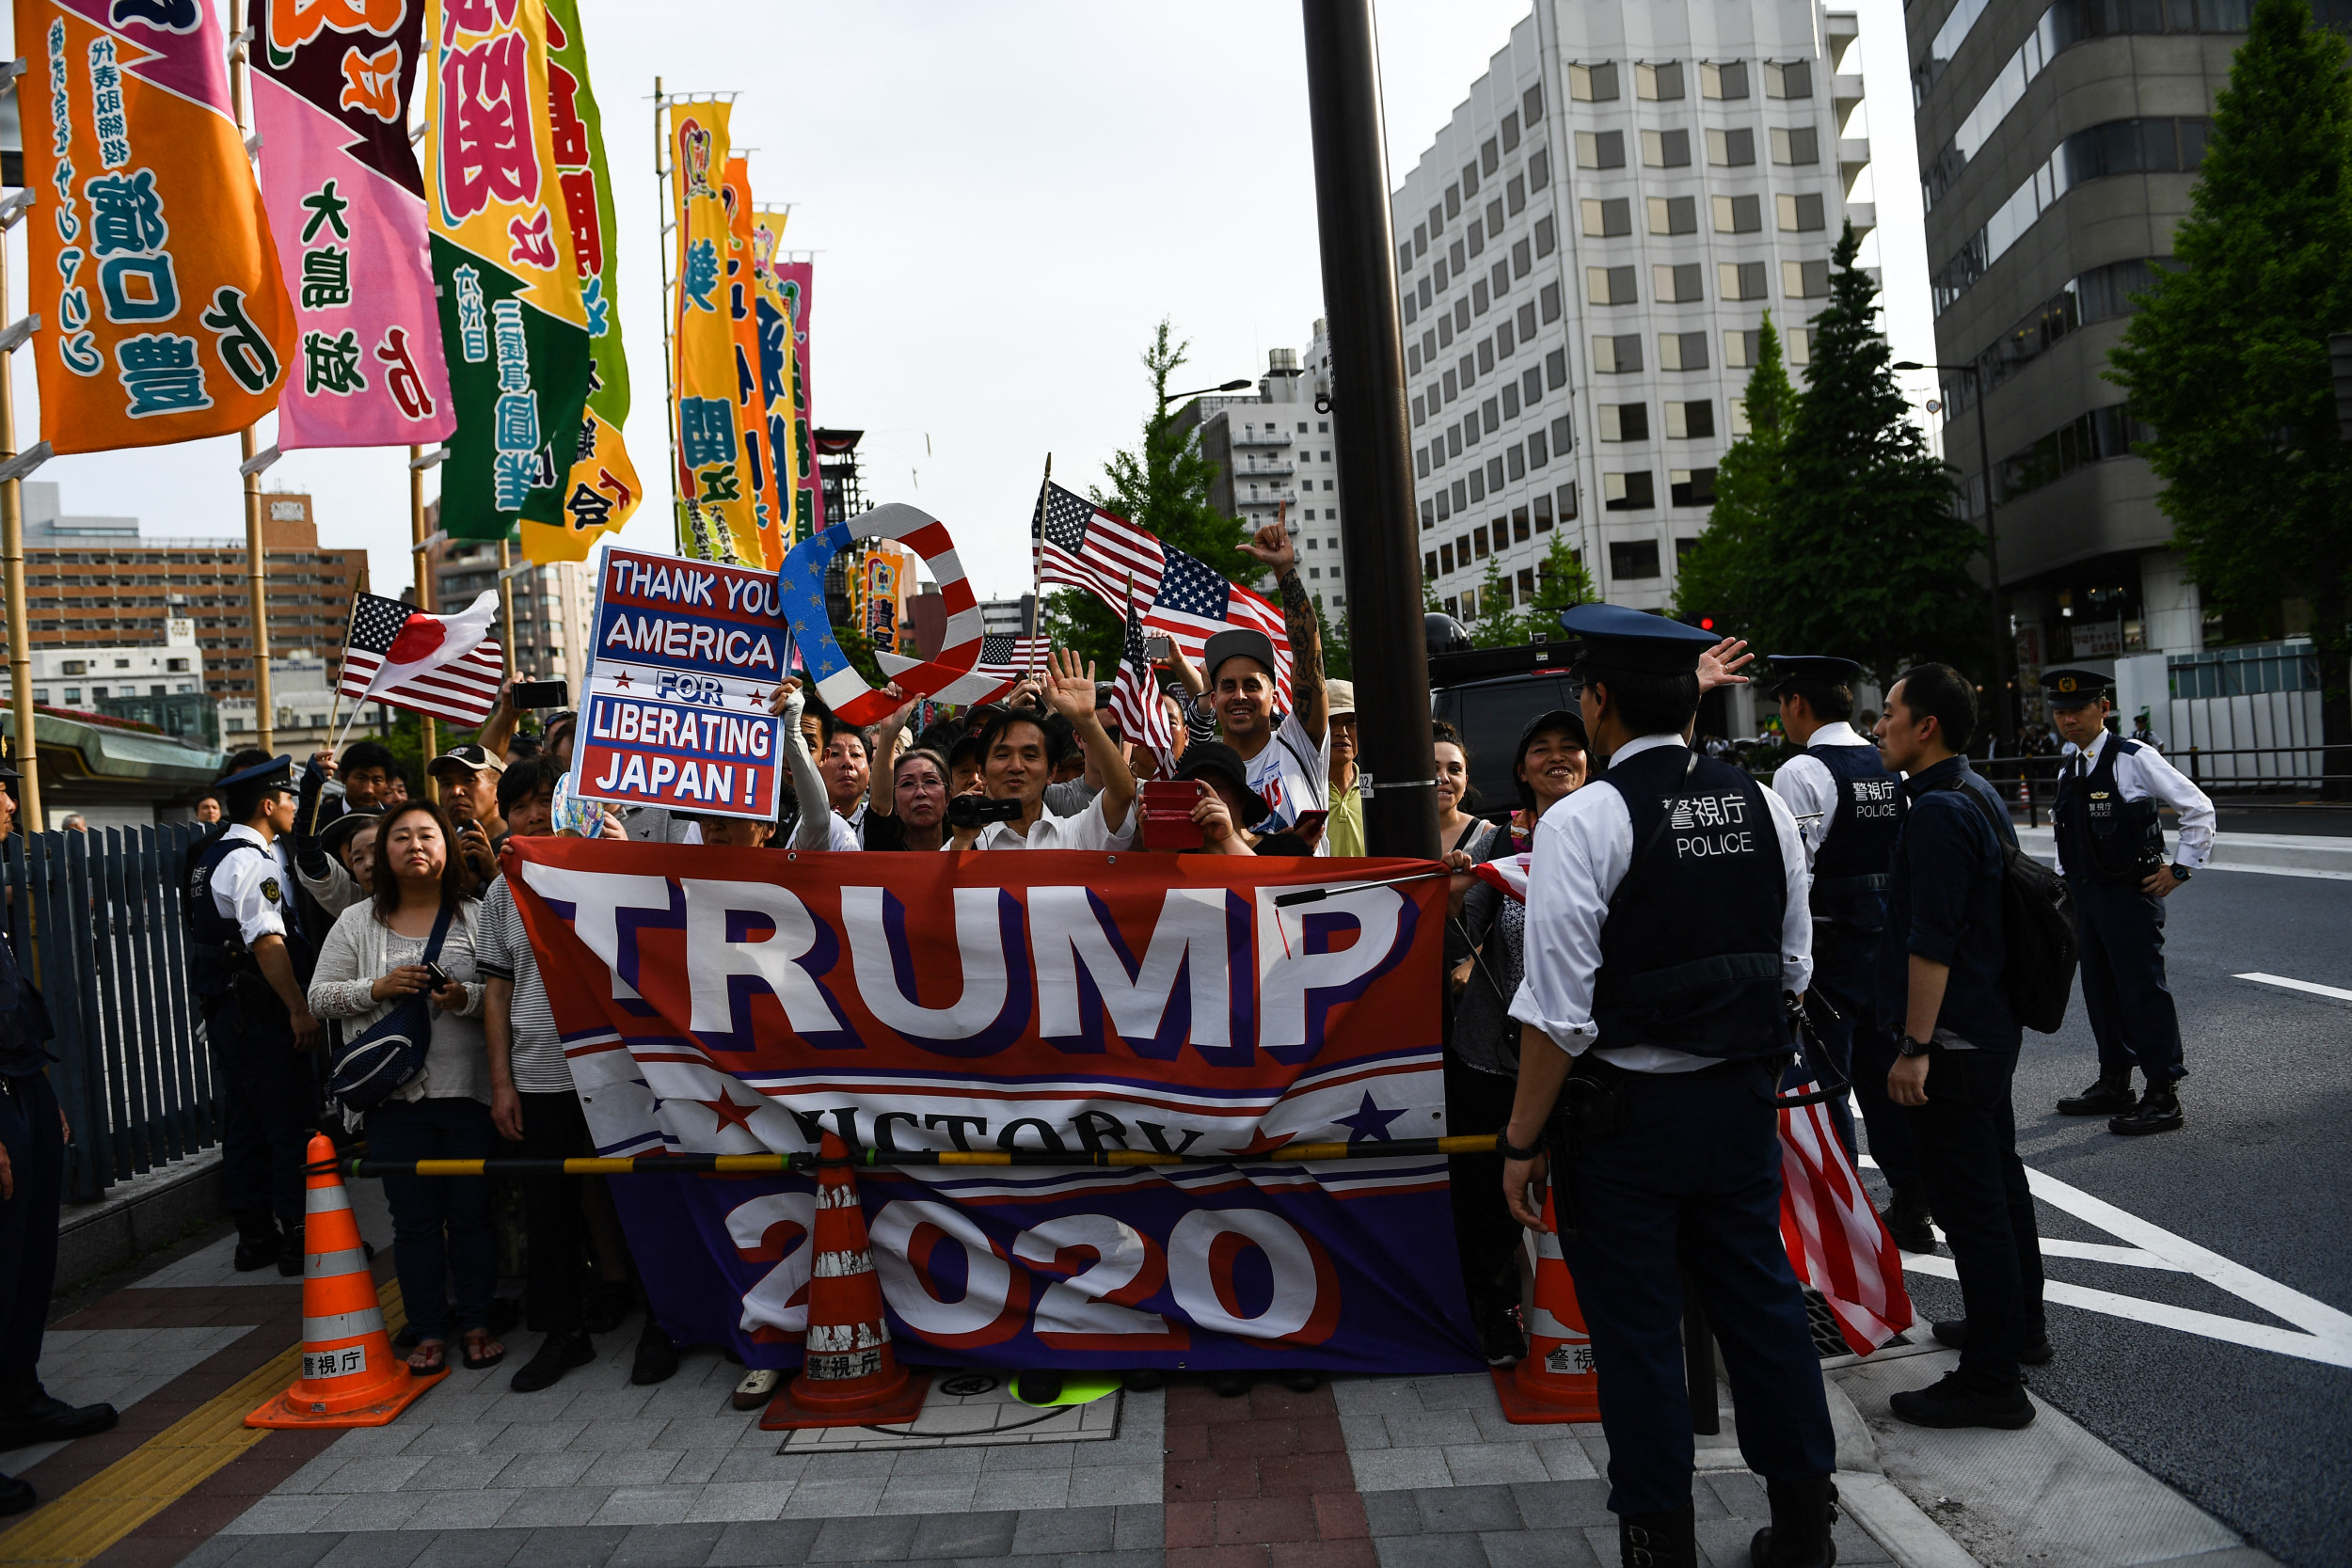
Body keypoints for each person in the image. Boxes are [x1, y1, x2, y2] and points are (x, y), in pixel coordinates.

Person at [1498, 605, 1836, 1568]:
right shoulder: (1764, 802)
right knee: (1763, 1309)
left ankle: (1659, 1543)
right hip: (1735, 1108)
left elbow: (1558, 1012)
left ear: (1595, 699)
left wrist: (1521, 1140)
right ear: (1691, 700)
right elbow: (1795, 966)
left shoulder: (1583, 818)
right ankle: (1807, 1526)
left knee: (1639, 1335)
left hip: (1624, 1127)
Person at [1873, 665, 2049, 1429]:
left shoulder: (1938, 812)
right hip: (1990, 1027)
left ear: (1926, 727)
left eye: (1888, 714)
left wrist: (1915, 1045)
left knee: (1971, 1205)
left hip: (1953, 1039)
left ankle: (1991, 1380)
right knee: (2000, 1185)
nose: (1878, 727)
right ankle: (2018, 1331)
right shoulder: (1975, 792)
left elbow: (1932, 941)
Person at [482, 760, 677, 1392]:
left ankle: (665, 1322)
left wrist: (620, 864)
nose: (535, 816)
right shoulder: (499, 891)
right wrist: (502, 1082)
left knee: (644, 1197)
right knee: (551, 1210)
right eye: (521, 806)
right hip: (540, 1070)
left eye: (547, 801)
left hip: (622, 1064)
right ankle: (563, 1333)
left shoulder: (615, 869)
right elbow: (494, 992)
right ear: (505, 818)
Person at [308, 800, 502, 1376]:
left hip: (468, 1091)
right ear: (381, 854)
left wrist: (459, 998)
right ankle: (427, 1327)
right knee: (412, 1221)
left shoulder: (477, 914)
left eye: (427, 836)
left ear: (446, 847)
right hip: (394, 1098)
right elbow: (320, 996)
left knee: (472, 1214)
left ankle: (477, 1323)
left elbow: (502, 995)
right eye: (401, 838)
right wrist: (378, 986)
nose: (415, 846)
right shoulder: (356, 922)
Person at [1763, 655, 1931, 1253]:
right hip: (1889, 950)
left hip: (1828, 956)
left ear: (1796, 705)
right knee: (1890, 1082)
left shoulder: (1803, 770)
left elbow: (1795, 876)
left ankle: (1847, 1222)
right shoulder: (1890, 763)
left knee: (1828, 1085)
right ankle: (1912, 1205)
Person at [1442, 708, 1585, 1366]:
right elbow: (1464, 920)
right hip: (1497, 1057)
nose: (1557, 758)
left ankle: (1589, 1314)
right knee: (1487, 1196)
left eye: (1570, 747)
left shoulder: (1612, 834)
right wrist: (1457, 892)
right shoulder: (1503, 846)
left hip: (1588, 1061)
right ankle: (1497, 1313)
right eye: (1542, 750)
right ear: (1522, 769)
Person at [0, 757, 116, 1511]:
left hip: (19, 1082)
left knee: (28, 1258)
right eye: (0, 788)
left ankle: (16, 1397)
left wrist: (39, 1088)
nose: (12, 802)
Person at [2041, 668, 2214, 1134]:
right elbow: (2066, 836)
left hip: (2129, 895)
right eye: (2061, 712)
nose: (2068, 720)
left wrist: (2180, 868)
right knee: (2100, 993)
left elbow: (2197, 807)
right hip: (2086, 896)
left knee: (2141, 992)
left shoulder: (2134, 757)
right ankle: (2115, 1081)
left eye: (2077, 710)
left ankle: (2163, 1092)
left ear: (2104, 708)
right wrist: (2063, 887)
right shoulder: (2069, 765)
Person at [187, 752, 323, 1276]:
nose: (293, 806)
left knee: (243, 1125)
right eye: (288, 798)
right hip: (263, 1014)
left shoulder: (209, 857)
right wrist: (298, 1009)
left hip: (227, 1012)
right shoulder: (255, 860)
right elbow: (267, 941)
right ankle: (299, 1237)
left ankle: (254, 1237)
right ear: (268, 805)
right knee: (291, 1122)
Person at [1196, 524, 1330, 841]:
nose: (1239, 695)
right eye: (1228, 687)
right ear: (1214, 700)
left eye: (1252, 685)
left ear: (1275, 694)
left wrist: (1283, 569)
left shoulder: (1297, 745)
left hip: (1307, 892)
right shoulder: (1204, 775)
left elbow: (1308, 656)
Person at [950, 652, 1136, 851]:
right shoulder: (964, 845)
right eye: (1002, 755)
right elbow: (949, 882)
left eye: (1030, 756)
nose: (1016, 766)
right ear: (983, 772)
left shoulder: (1076, 834)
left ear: (1051, 773)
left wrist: (1087, 721)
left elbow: (1123, 792)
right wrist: (962, 844)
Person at [427, 743, 506, 888]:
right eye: (446, 783)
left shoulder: (522, 845)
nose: (456, 791)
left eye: (469, 780)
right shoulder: (438, 850)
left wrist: (493, 873)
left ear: (498, 790)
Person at [1431, 721, 1496, 861]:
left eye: (1454, 770)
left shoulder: (1488, 836)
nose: (1444, 778)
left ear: (1465, 781)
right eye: (1433, 769)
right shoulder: (1391, 837)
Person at [1324, 681, 1365, 857]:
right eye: (1331, 722)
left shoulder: (1378, 792)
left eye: (1352, 722)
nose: (1342, 732)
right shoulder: (1299, 791)